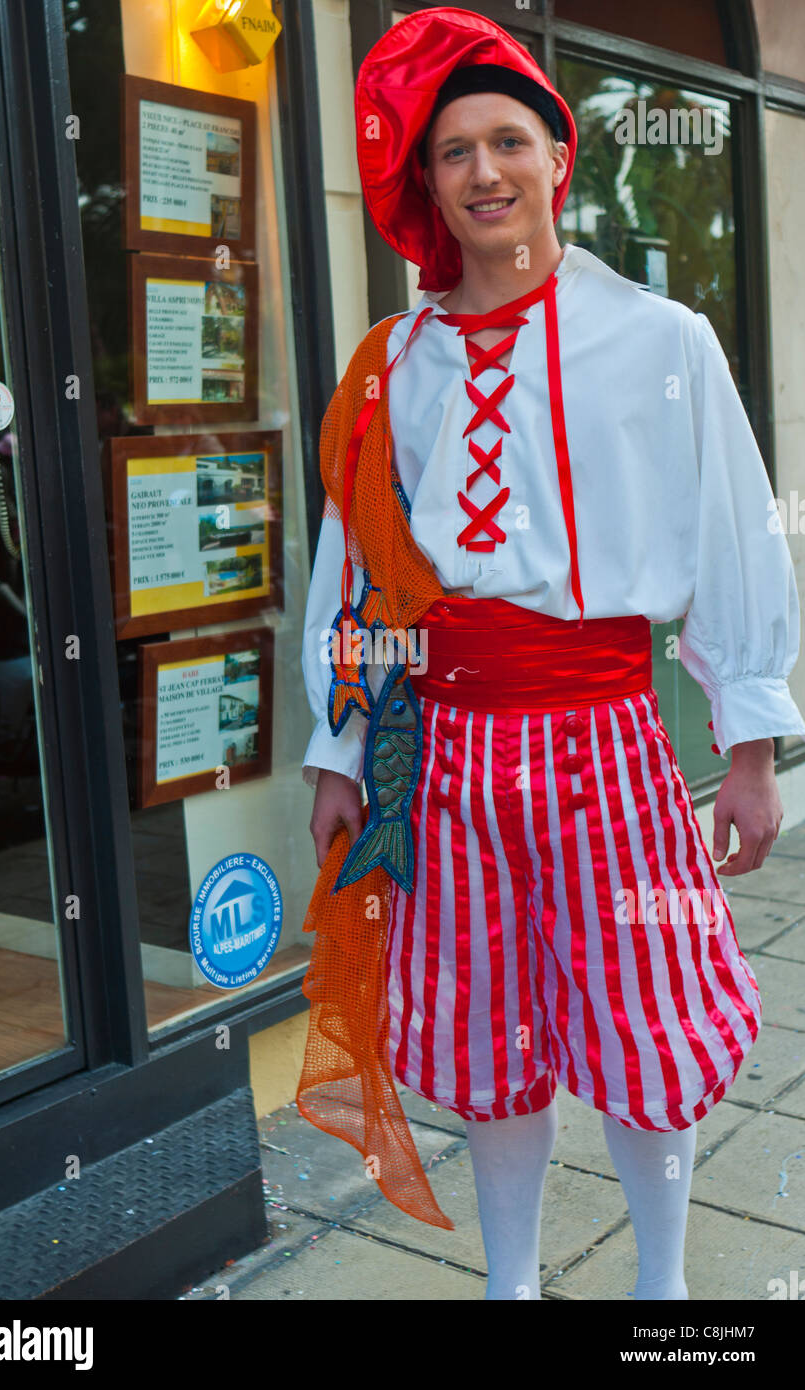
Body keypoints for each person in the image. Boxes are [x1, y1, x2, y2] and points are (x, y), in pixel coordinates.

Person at [298, 6, 805, 1301]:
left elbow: (738, 543)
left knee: (646, 1016)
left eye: (506, 140)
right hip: (449, 756)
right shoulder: (391, 369)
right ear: (427, 185)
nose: (482, 171)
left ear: (557, 159)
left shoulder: (665, 343)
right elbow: (355, 577)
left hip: (609, 752)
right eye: (453, 150)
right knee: (480, 1025)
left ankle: (664, 1288)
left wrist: (752, 751)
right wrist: (339, 745)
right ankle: (513, 1282)